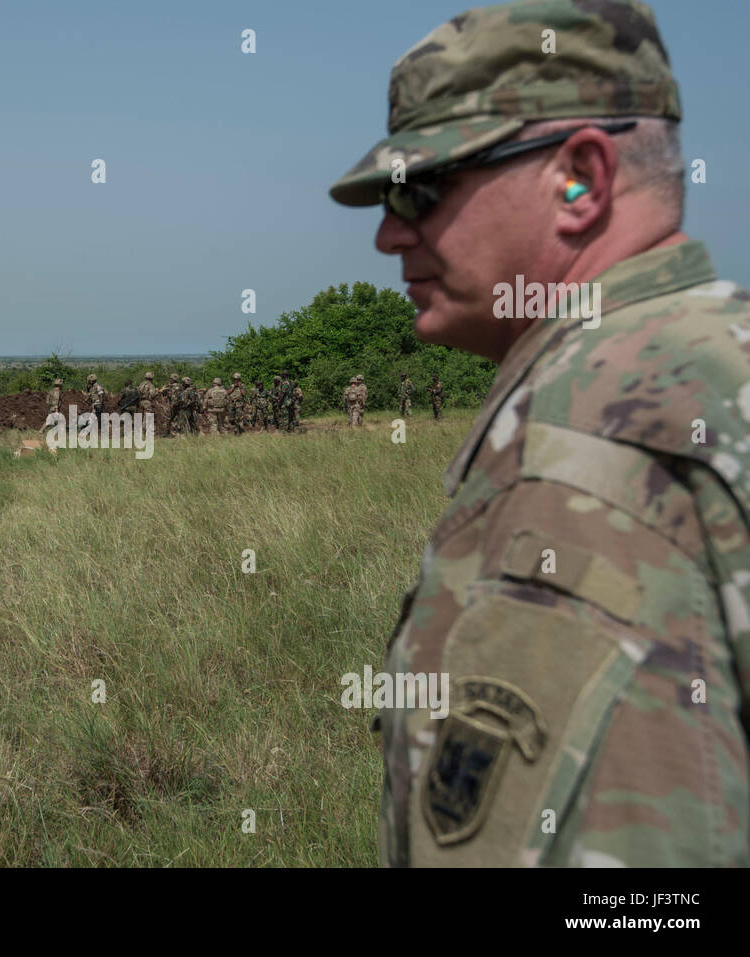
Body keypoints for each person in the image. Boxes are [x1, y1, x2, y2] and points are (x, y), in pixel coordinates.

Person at [330, 0, 749, 867]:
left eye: (421, 187)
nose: (386, 233)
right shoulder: (719, 361)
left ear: (579, 182)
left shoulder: (592, 451)